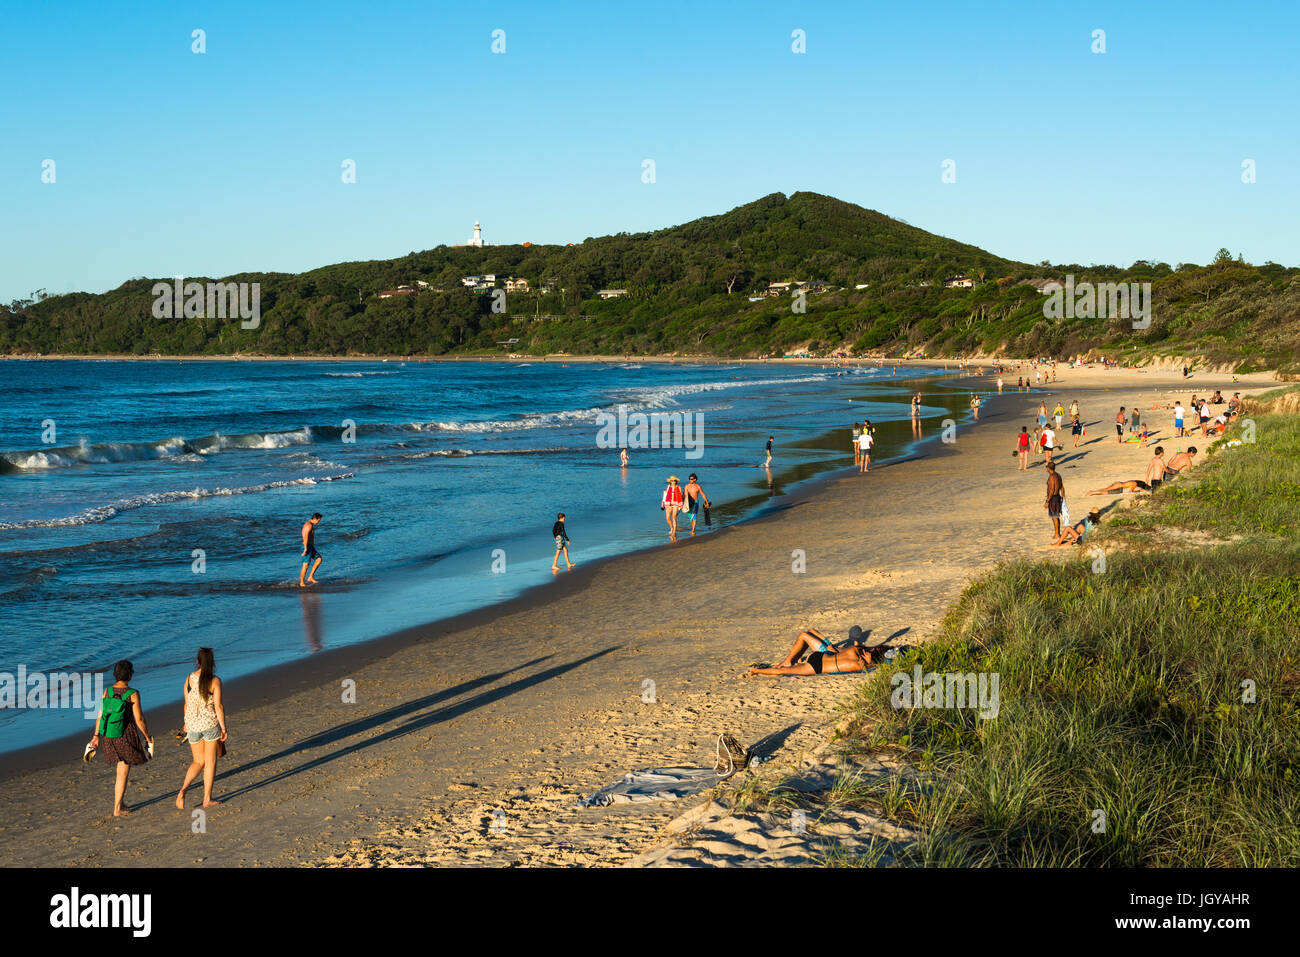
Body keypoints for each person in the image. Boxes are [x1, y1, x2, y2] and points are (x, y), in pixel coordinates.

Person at [86, 660, 154, 817]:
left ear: (115, 674)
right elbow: (139, 719)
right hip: (125, 736)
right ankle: (117, 808)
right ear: (130, 675)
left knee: (120, 770)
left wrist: (96, 736)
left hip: (109, 736)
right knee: (122, 772)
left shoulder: (108, 692)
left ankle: (120, 802)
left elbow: (100, 716)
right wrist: (147, 737)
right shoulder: (132, 694)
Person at [176, 647, 228, 810]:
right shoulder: (215, 681)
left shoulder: (189, 679)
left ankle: (183, 789)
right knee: (210, 762)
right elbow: (218, 706)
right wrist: (223, 727)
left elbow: (186, 704)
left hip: (192, 725)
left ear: (197, 661)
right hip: (209, 724)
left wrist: (186, 723)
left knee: (198, 761)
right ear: (212, 663)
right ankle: (206, 798)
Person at [749, 626, 890, 677]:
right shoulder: (859, 653)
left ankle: (760, 670)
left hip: (816, 665)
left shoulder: (860, 664)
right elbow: (846, 651)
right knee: (808, 633)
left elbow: (865, 668)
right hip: (823, 656)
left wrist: (869, 662)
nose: (870, 650)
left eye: (873, 651)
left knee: (784, 670)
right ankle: (792, 661)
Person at [299, 513, 323, 587]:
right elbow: (305, 537)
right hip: (306, 546)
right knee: (305, 565)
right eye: (318, 520)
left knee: (319, 559)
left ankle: (310, 577)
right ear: (315, 519)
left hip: (310, 547)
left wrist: (313, 546)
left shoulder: (310, 525)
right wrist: (305, 549)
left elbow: (310, 538)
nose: (319, 522)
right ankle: (302, 582)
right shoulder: (308, 526)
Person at [1045, 461, 1064, 538]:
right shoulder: (1058, 475)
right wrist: (1063, 496)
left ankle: (1057, 534)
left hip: (1053, 498)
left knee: (1054, 517)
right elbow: (1062, 487)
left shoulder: (1052, 477)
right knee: (1056, 516)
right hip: (1058, 497)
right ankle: (1057, 533)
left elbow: (1052, 490)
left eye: (1046, 467)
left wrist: (1047, 501)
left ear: (1048, 468)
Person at [661, 476, 684, 540]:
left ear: (676, 481)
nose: (673, 482)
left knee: (673, 517)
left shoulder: (678, 487)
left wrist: (681, 505)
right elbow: (666, 495)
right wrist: (662, 502)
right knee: (667, 518)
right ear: (670, 481)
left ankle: (674, 532)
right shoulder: (668, 487)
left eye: (674, 481)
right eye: (672, 481)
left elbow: (681, 496)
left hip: (676, 503)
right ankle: (672, 528)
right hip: (668, 503)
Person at [1086, 480, 1151, 495]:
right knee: (1105, 491)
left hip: (1118, 484)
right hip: (1119, 487)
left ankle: (1092, 492)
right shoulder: (1135, 484)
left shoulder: (1134, 483)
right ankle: (1092, 492)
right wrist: (1137, 491)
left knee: (1105, 490)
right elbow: (1131, 491)